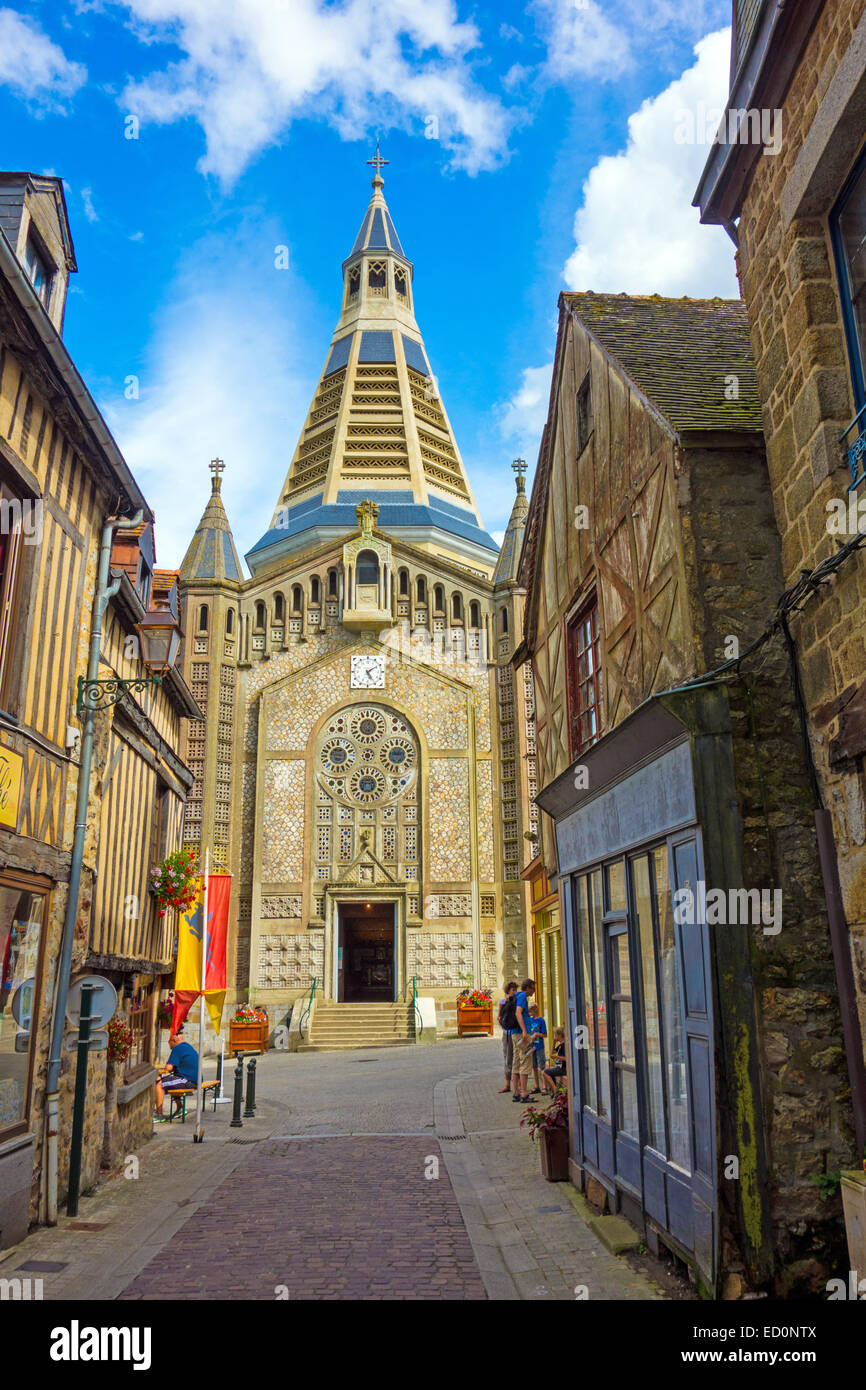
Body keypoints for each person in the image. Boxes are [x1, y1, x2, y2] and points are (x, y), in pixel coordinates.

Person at [154, 1029, 199, 1118]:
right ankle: (180, 1108)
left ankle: (159, 1115)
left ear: (173, 1041)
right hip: (194, 1079)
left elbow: (168, 1067)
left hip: (188, 1080)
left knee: (159, 1084)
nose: (169, 1045)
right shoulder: (187, 1046)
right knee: (173, 1081)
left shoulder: (177, 1048)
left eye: (169, 1042)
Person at [510, 978, 536, 1104]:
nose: (534, 991)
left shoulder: (515, 996)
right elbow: (518, 1013)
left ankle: (516, 1093)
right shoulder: (522, 997)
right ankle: (524, 1093)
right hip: (521, 1034)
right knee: (525, 1061)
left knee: (516, 1062)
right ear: (528, 988)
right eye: (533, 988)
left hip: (514, 1033)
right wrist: (525, 1031)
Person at [497, 981, 518, 1092]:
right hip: (507, 1033)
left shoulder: (517, 1001)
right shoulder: (503, 1001)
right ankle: (507, 1083)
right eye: (513, 990)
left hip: (515, 1032)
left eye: (515, 990)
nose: (514, 992)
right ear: (508, 990)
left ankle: (518, 1084)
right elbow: (499, 1017)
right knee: (507, 1058)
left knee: (516, 1058)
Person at [528, 1003, 548, 1095]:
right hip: (532, 1047)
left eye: (530, 1010)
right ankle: (537, 1086)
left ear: (535, 1010)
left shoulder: (541, 1020)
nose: (529, 1012)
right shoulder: (529, 1020)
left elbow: (545, 1034)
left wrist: (536, 1035)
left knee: (542, 1066)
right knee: (534, 1067)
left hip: (539, 1046)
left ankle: (544, 1086)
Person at [543, 1026, 567, 1094]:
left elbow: (567, 1059)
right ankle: (554, 1089)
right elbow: (552, 1055)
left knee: (545, 1072)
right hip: (559, 1067)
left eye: (555, 1035)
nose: (555, 1036)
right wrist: (554, 1043)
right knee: (549, 1071)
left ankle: (555, 1089)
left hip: (564, 1068)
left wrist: (557, 1056)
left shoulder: (564, 1045)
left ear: (559, 1035)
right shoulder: (559, 1045)